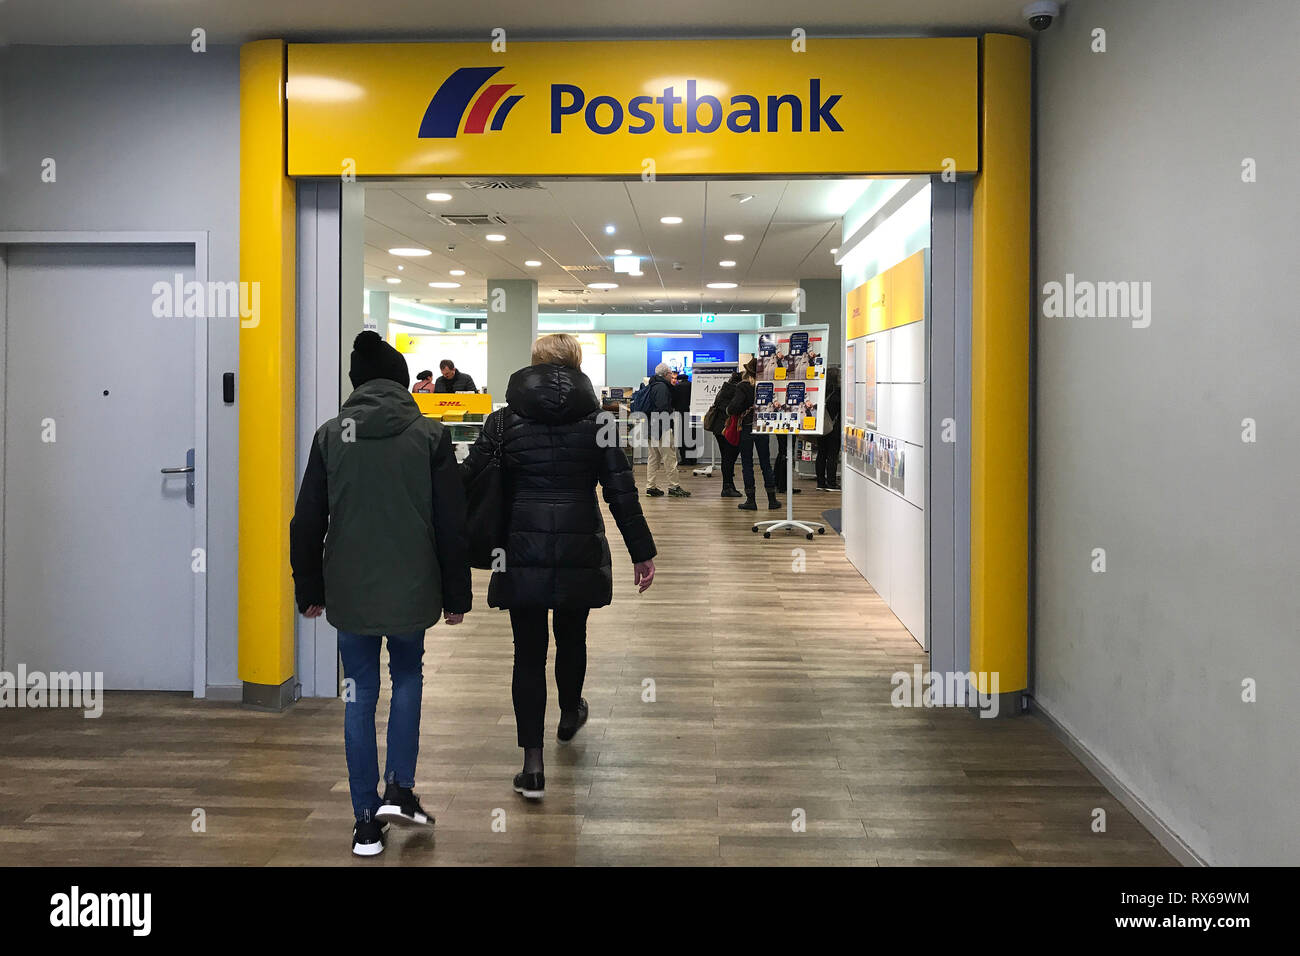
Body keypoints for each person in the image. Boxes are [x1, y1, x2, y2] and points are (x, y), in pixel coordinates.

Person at [290, 330, 472, 858]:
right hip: (414, 585)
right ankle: (401, 788)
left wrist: (308, 586)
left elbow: (306, 522)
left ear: (355, 385)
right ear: (400, 382)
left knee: (360, 693)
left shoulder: (329, 436)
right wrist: (456, 593)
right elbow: (450, 522)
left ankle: (366, 822)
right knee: (409, 676)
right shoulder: (430, 436)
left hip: (349, 587)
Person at [460, 333, 656, 801]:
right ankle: (570, 713)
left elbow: (467, 480)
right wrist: (641, 550)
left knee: (527, 651)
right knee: (573, 634)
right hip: (578, 544)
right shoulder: (600, 421)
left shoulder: (503, 421)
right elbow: (620, 490)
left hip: (519, 546)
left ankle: (531, 764)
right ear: (577, 364)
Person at [727, 358, 780, 511]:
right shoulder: (768, 386)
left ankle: (751, 500)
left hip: (746, 428)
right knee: (765, 464)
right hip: (763, 427)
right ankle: (772, 500)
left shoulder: (743, 387)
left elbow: (733, 407)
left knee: (747, 464)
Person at [643, 362, 689, 498]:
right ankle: (674, 486)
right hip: (661, 427)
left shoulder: (652, 385)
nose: (672, 376)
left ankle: (651, 487)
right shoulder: (662, 387)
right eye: (671, 374)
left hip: (651, 426)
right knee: (670, 457)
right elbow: (662, 407)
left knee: (653, 458)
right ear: (665, 374)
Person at [705, 370, 743, 497]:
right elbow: (732, 409)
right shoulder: (735, 391)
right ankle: (727, 486)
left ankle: (728, 485)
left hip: (719, 429)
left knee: (727, 458)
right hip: (725, 429)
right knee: (728, 458)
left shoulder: (725, 388)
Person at [816, 366, 843, 491]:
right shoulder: (839, 393)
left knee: (821, 454)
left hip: (822, 427)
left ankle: (820, 482)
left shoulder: (822, 392)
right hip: (834, 428)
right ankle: (831, 482)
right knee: (832, 455)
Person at [672, 372, 693, 466]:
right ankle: (692, 459)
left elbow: (673, 401)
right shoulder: (692, 385)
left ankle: (684, 459)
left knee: (681, 437)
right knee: (692, 435)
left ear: (679, 379)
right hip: (692, 413)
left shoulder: (676, 387)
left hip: (680, 414)